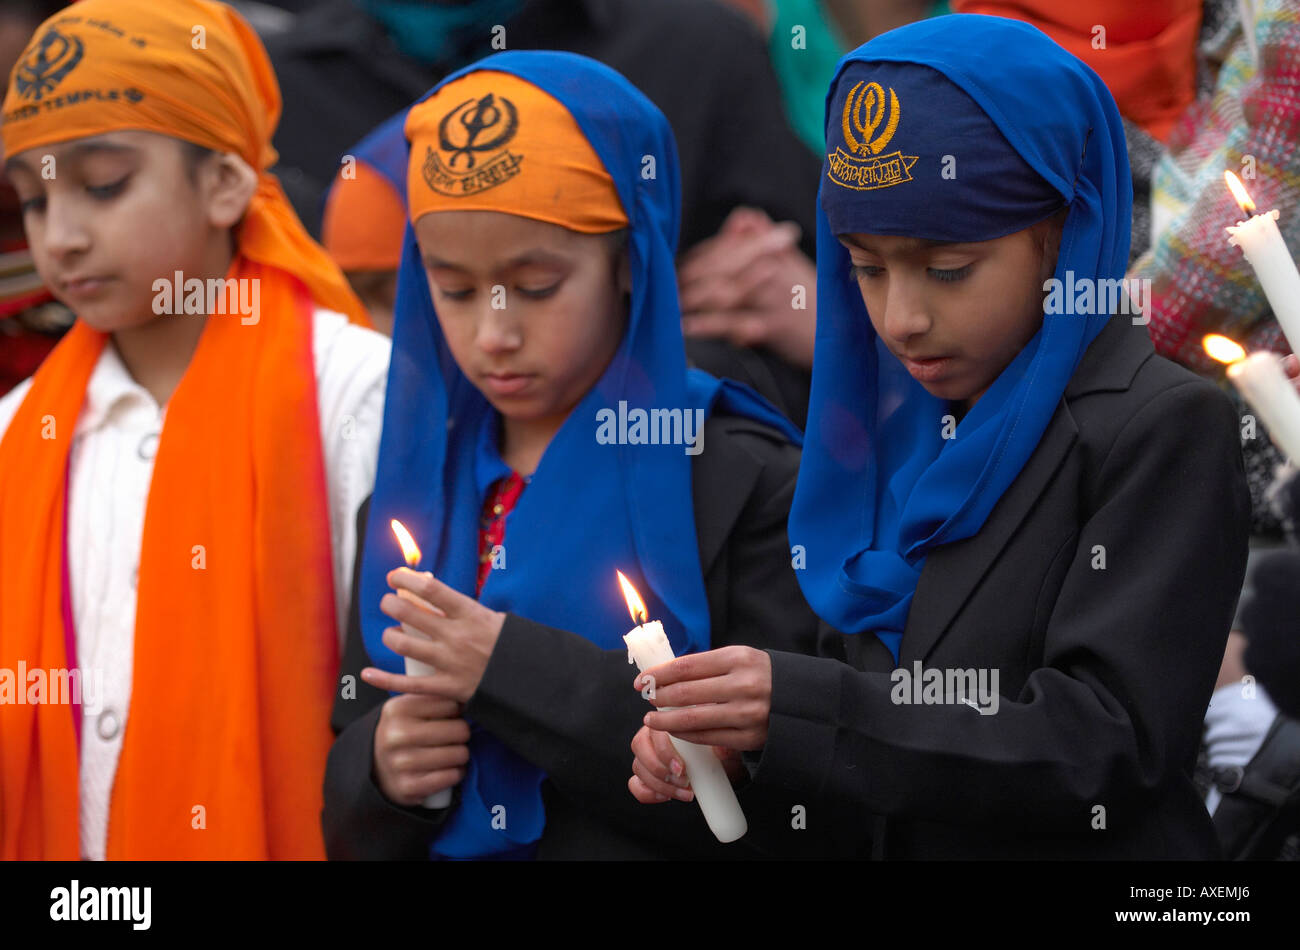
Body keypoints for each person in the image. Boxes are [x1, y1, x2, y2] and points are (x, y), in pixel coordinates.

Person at [627, 14, 1252, 859]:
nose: (903, 319)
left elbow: (1105, 744)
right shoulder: (883, 435)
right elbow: (858, 735)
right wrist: (742, 748)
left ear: (1063, 233)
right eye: (866, 268)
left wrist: (805, 708)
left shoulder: (1156, 426)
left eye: (949, 271)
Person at [321, 50, 823, 860]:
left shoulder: (735, 480)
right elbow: (350, 746)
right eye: (453, 289)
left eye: (537, 284)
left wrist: (506, 666)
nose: (493, 334)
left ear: (630, 262)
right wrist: (380, 774)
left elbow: (794, 805)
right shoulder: (415, 494)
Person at [0, 0, 389, 859]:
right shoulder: (15, 434)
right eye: (32, 198)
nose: (59, 237)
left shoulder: (353, 394)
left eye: (103, 186)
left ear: (224, 183)